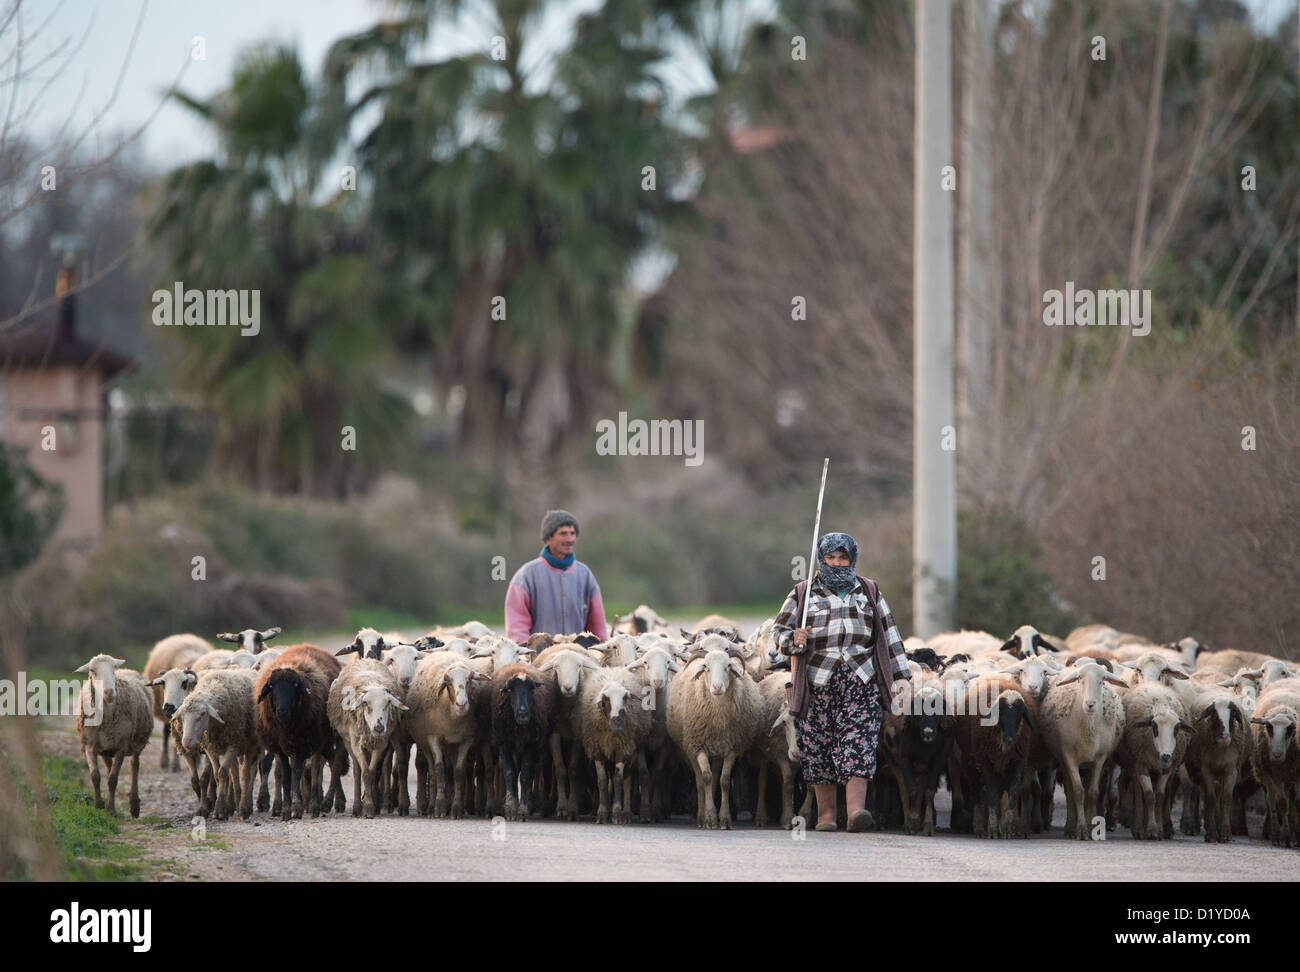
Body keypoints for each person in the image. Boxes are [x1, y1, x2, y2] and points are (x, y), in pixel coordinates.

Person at [773, 531, 912, 832]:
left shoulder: (869, 591)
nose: (837, 563)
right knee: (818, 747)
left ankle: (856, 812)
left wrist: (901, 676)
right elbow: (777, 636)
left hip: (861, 679)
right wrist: (793, 640)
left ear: (853, 559)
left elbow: (889, 635)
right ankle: (825, 817)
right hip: (817, 682)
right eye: (831, 557)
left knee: (859, 742)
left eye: (842, 557)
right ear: (821, 560)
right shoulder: (803, 592)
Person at [505, 510, 609, 643]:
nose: (570, 539)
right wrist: (527, 655)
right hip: (541, 659)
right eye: (563, 534)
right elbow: (517, 627)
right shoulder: (526, 576)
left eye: (573, 533)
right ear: (548, 538)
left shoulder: (585, 575)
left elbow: (597, 625)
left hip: (578, 658)